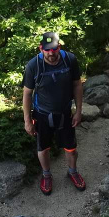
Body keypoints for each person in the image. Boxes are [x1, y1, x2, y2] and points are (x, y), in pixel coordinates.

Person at [22, 32, 87, 195]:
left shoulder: (69, 60)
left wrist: (78, 111)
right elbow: (27, 94)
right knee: (43, 148)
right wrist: (27, 121)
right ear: (41, 49)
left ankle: (73, 172)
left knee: (71, 147)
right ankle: (46, 175)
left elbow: (77, 85)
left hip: (65, 112)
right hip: (42, 114)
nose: (51, 53)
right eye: (47, 50)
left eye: (54, 49)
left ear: (59, 47)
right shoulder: (33, 65)